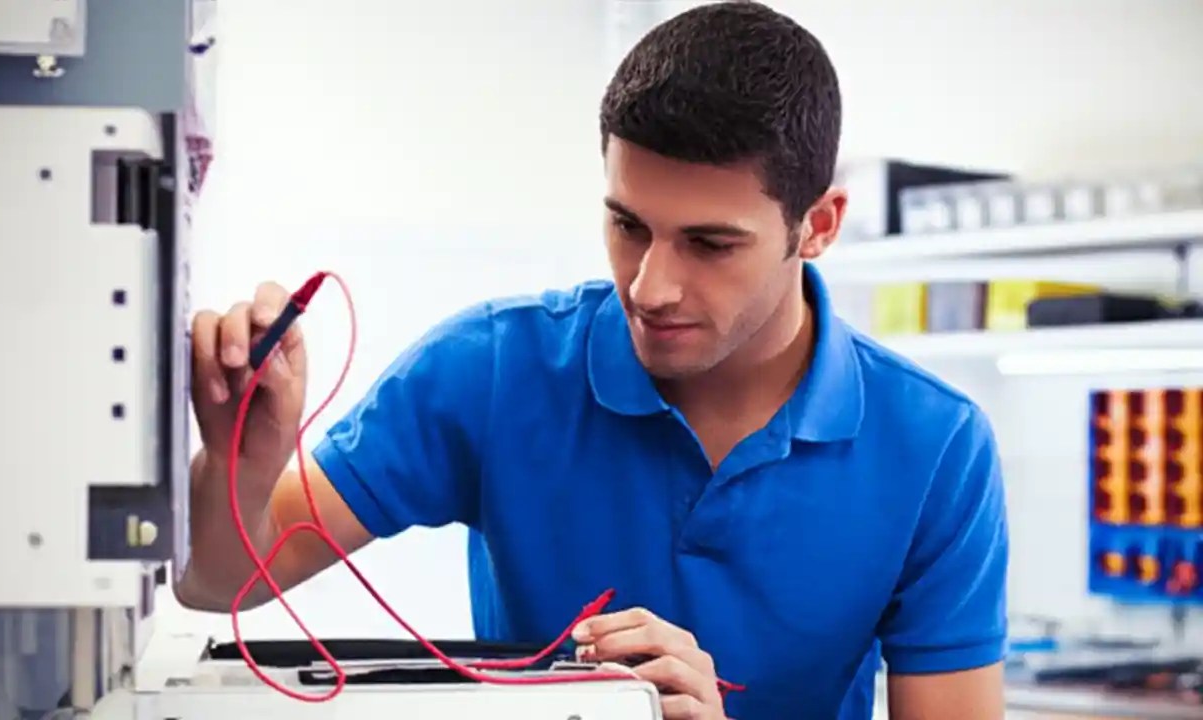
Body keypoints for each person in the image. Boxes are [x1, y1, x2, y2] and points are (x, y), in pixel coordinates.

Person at [174, 3, 1009, 718]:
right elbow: (222, 588)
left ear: (818, 226)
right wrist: (243, 463)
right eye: (628, 224)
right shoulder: (492, 371)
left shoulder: (937, 448)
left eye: (710, 243)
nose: (651, 286)